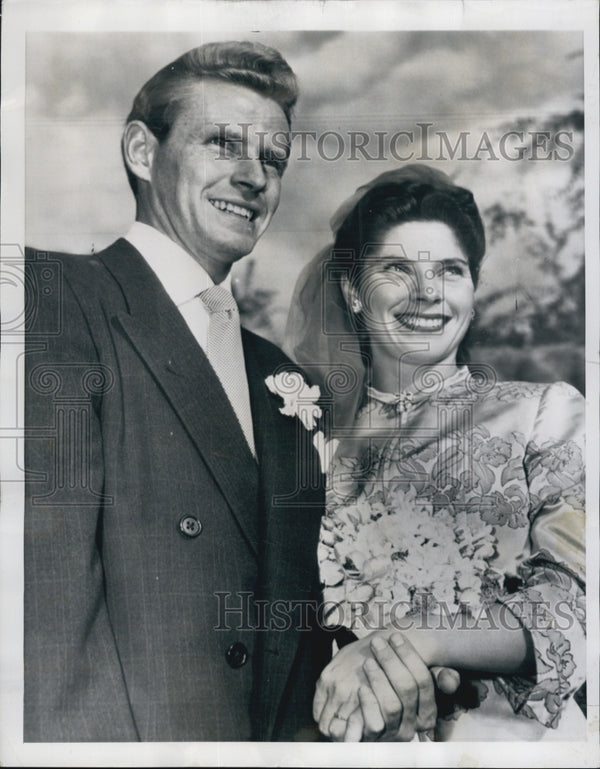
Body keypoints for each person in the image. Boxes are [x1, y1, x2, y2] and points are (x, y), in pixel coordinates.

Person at [24, 41, 332, 742]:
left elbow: (302, 637)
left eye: (273, 159)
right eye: (223, 143)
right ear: (141, 150)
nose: (253, 176)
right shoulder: (51, 298)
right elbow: (44, 624)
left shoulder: (287, 381)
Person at [286, 164, 586, 741]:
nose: (428, 292)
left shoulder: (544, 413)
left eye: (450, 270)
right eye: (397, 269)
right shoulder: (310, 442)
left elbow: (576, 613)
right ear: (353, 291)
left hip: (506, 745)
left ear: (472, 293)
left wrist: (412, 643)